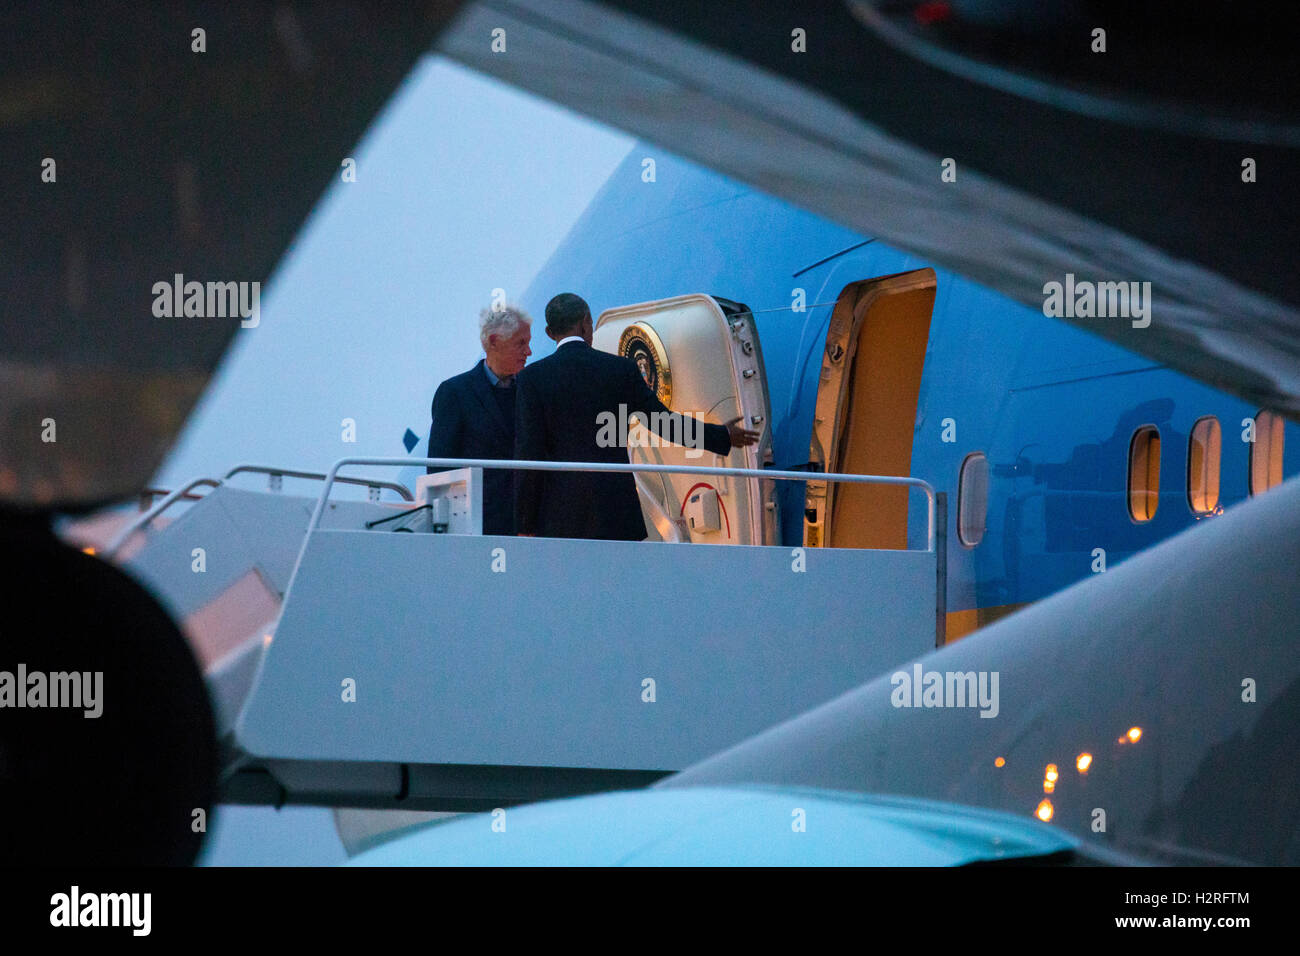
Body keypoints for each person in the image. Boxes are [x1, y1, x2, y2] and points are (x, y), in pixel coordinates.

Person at [514, 292, 759, 540]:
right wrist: (722, 435)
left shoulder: (531, 379)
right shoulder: (620, 369)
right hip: (616, 512)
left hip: (559, 518)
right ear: (586, 322)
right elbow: (663, 422)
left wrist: (525, 523)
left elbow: (528, 452)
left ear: (549, 333)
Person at [426, 305, 532, 535]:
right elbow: (438, 470)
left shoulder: (532, 390)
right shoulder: (455, 392)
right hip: (476, 526)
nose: (529, 351)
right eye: (521, 343)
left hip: (528, 525)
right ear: (494, 341)